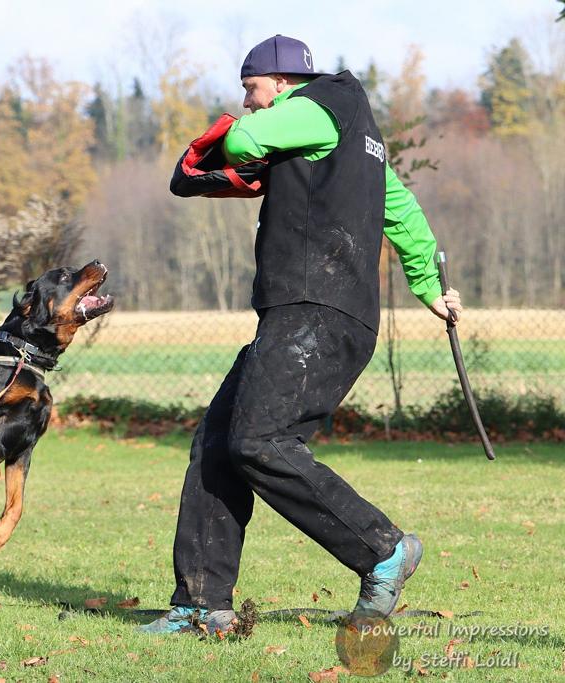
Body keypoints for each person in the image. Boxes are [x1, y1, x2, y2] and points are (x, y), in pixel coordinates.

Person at [141, 35, 463, 634]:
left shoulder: (316, 107)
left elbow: (240, 140)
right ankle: (201, 606)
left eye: (252, 89)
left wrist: (228, 140)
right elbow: (404, 214)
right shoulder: (355, 140)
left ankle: (381, 549)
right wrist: (428, 290)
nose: (249, 102)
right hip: (313, 313)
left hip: (316, 310)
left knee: (259, 441)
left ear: (282, 81)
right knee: (218, 441)